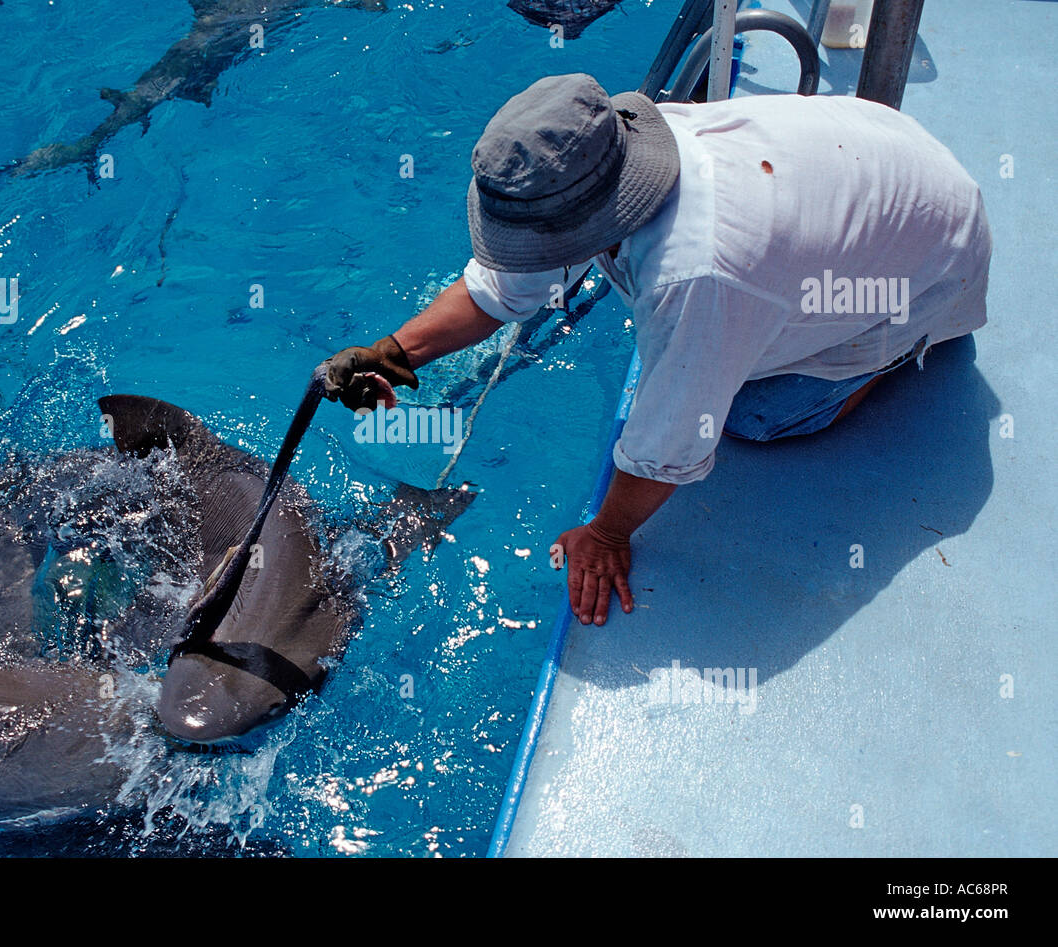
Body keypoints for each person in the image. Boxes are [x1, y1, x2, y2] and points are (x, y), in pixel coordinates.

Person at [323, 73, 991, 628]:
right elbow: (500, 288)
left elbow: (675, 443)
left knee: (750, 414)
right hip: (888, 159)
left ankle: (885, 358)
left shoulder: (696, 274)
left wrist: (608, 531)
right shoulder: (607, 147)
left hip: (932, 268)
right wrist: (391, 353)